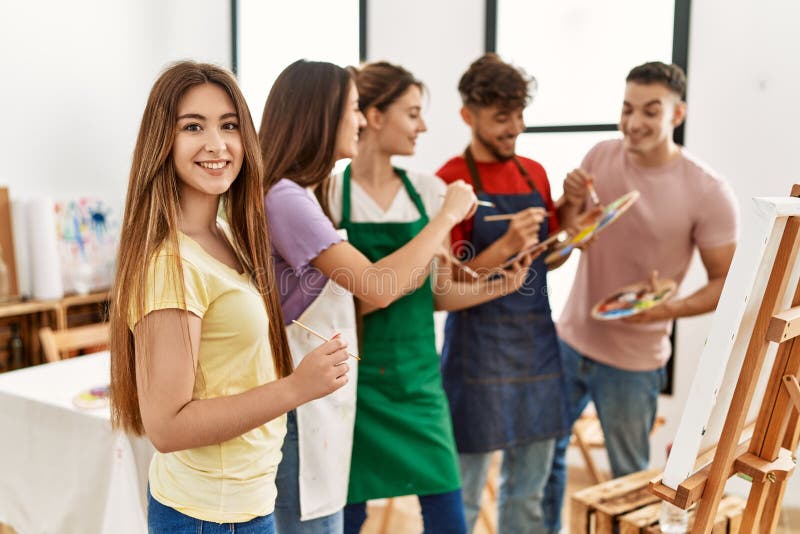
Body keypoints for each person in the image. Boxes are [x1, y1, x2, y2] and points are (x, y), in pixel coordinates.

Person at [108, 61, 351, 534]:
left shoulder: (224, 236)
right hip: (209, 517)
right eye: (193, 127)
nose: (217, 144)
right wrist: (296, 388)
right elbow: (167, 426)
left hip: (244, 503)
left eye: (230, 126)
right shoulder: (170, 264)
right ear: (164, 141)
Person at [259, 59, 479, 534]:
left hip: (349, 385)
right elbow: (377, 288)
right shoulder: (291, 198)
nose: (359, 120)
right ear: (321, 115)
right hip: (313, 394)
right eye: (353, 109)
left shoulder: (299, 193)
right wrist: (447, 216)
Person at [327, 60, 534, 534]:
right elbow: (344, 302)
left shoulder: (427, 190)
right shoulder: (328, 196)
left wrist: (501, 282)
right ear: (374, 116)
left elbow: (434, 295)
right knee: (348, 516)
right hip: (355, 386)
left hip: (420, 382)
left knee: (449, 519)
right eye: (413, 113)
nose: (423, 126)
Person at [542, 61, 739, 533]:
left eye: (650, 111)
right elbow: (566, 242)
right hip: (567, 341)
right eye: (627, 108)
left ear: (677, 114)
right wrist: (568, 204)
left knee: (629, 481)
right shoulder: (598, 156)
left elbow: (724, 284)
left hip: (635, 362)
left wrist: (663, 310)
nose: (634, 122)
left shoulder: (707, 190)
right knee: (543, 462)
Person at [435, 53, 571, 534]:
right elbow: (443, 284)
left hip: (535, 345)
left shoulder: (534, 172)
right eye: (500, 118)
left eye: (518, 114)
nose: (514, 127)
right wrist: (507, 245)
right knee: (465, 497)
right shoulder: (450, 179)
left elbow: (549, 258)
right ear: (468, 116)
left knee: (528, 494)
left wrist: (573, 222)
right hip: (477, 353)